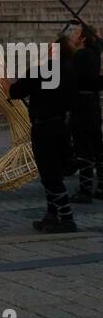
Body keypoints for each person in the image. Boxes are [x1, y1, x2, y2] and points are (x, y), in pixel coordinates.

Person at [9, 36, 76, 233]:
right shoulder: (72, 70)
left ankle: (67, 218)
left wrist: (1, 76)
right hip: (61, 126)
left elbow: (14, 92)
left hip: (44, 129)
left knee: (50, 174)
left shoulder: (40, 71)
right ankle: (52, 214)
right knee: (52, 171)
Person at [68, 22, 103, 203]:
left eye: (75, 33)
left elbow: (73, 79)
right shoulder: (95, 54)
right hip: (93, 104)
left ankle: (85, 190)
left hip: (81, 106)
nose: (73, 36)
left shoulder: (80, 55)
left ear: (82, 39)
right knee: (97, 146)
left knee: (84, 149)